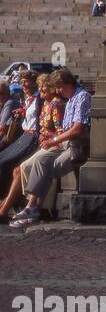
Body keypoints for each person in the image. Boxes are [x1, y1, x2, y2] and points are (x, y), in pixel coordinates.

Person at [11, 69, 90, 226]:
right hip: (63, 143)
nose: (58, 91)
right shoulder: (70, 98)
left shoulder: (82, 97)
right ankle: (31, 208)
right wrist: (55, 141)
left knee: (53, 166)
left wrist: (54, 140)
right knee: (40, 160)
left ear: (67, 84)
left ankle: (34, 210)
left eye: (59, 87)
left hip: (77, 144)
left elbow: (77, 129)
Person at [0, 73, 41, 221]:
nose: (23, 85)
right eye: (22, 82)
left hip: (32, 137)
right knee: (2, 158)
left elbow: (39, 118)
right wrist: (22, 112)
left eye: (27, 82)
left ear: (34, 83)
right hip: (24, 135)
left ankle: (5, 202)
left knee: (6, 163)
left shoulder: (39, 99)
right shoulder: (26, 99)